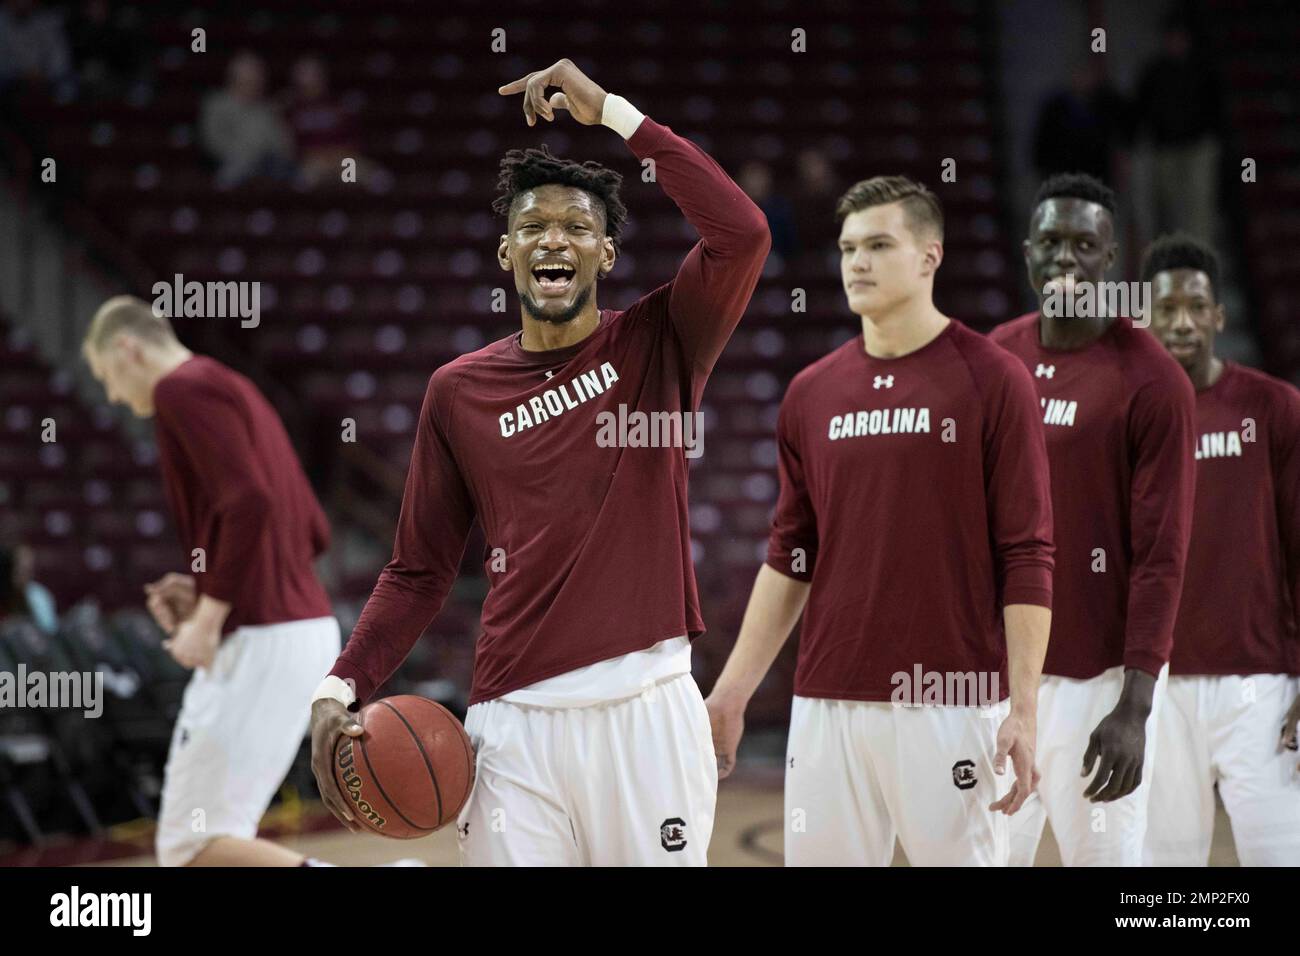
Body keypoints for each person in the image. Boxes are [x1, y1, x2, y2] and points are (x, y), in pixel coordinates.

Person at [308, 58, 770, 866]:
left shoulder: (661, 340)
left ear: (606, 254)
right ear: (506, 254)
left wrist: (618, 117)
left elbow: (742, 233)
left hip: (647, 710)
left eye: (577, 227)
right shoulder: (457, 392)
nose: (554, 238)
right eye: (532, 226)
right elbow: (418, 571)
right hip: (515, 722)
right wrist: (337, 687)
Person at [706, 175, 1053, 866]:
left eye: (878, 245)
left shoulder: (993, 377)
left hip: (951, 702)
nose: (856, 263)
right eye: (847, 248)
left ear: (930, 256)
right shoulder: (812, 392)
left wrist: (1024, 706)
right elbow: (791, 553)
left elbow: (1028, 550)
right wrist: (731, 691)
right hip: (827, 701)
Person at [82, 296, 340, 867]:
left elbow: (249, 504)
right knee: (218, 834)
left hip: (262, 639)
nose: (112, 396)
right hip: (303, 630)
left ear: (127, 349)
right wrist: (208, 588)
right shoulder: (235, 386)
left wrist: (207, 617)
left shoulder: (181, 389)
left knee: (190, 843)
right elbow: (312, 532)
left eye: (106, 377)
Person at [990, 173, 1196, 866]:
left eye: (1085, 245)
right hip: (998, 676)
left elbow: (1162, 556)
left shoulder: (1154, 381)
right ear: (1027, 253)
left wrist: (1136, 706)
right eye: (1050, 242)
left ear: (1110, 261)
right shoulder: (996, 359)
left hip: (1099, 682)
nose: (1066, 259)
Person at [1141, 233, 1300, 865]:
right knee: (1164, 885)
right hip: (1156, 688)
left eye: (1195, 308)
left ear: (1218, 315)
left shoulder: (1274, 408)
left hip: (1262, 685)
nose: (1182, 322)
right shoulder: (1127, 419)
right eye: (1167, 309)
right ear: (1144, 318)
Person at [199, 50, 296, 188]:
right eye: (250, 76)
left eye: (259, 74)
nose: (258, 79)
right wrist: (247, 154)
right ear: (234, 78)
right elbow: (212, 142)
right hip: (231, 166)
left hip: (268, 168)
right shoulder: (216, 104)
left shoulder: (268, 109)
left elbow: (283, 148)